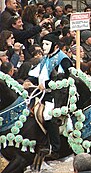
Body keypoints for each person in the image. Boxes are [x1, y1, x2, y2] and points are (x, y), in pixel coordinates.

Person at [27, 31, 73, 159]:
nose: (44, 46)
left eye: (47, 44)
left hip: (58, 96)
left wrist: (46, 84)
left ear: (56, 46)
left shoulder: (63, 59)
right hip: (42, 94)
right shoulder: (45, 59)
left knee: (48, 115)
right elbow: (35, 74)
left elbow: (63, 79)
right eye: (43, 44)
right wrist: (28, 81)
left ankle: (55, 149)